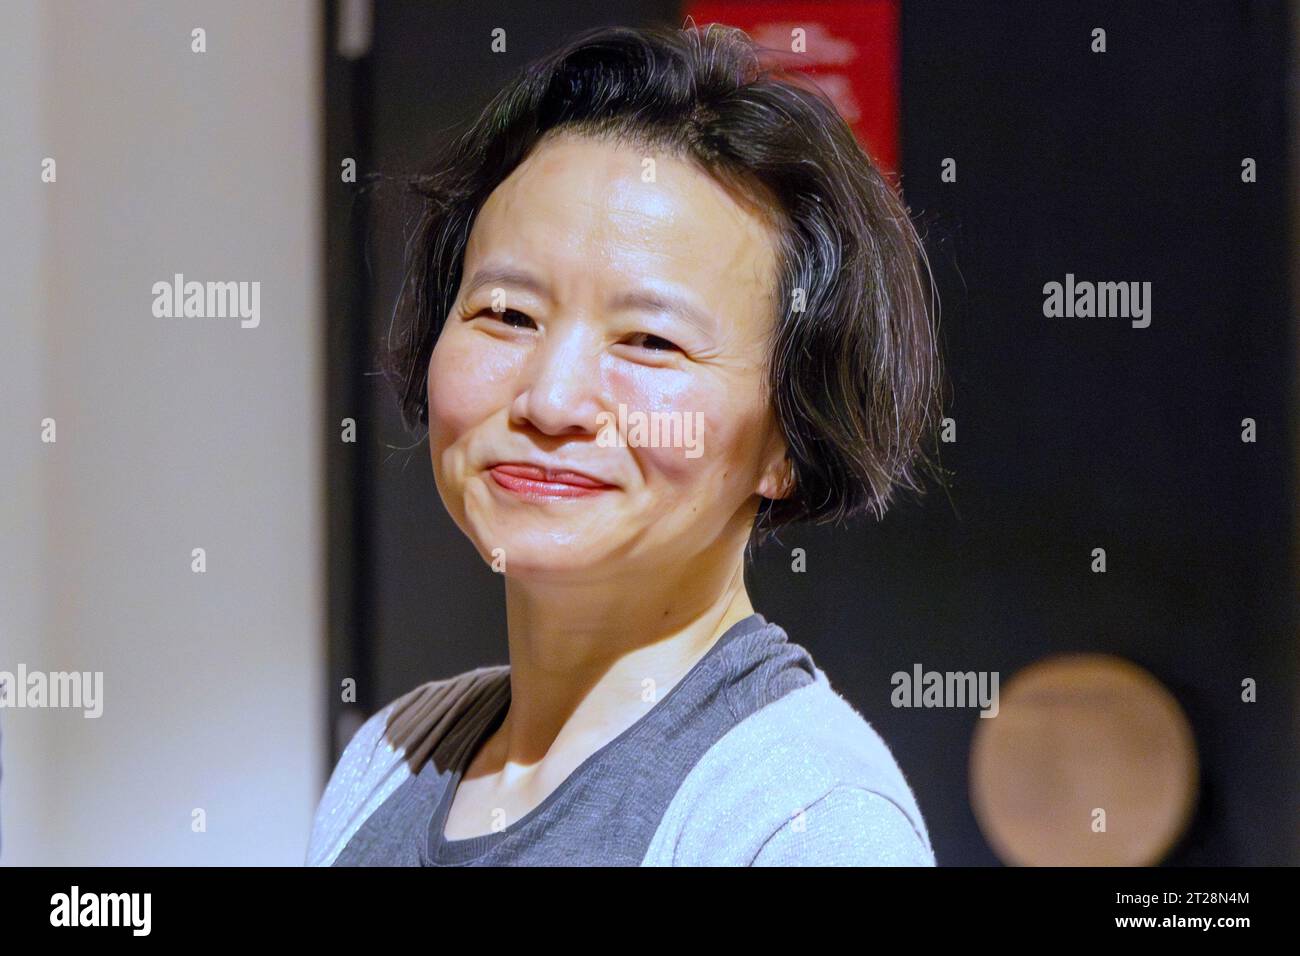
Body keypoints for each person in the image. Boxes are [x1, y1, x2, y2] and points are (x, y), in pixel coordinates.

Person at [308, 20, 944, 867]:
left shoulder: (802, 821)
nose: (552, 399)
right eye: (506, 314)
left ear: (790, 438)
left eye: (649, 341)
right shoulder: (391, 758)